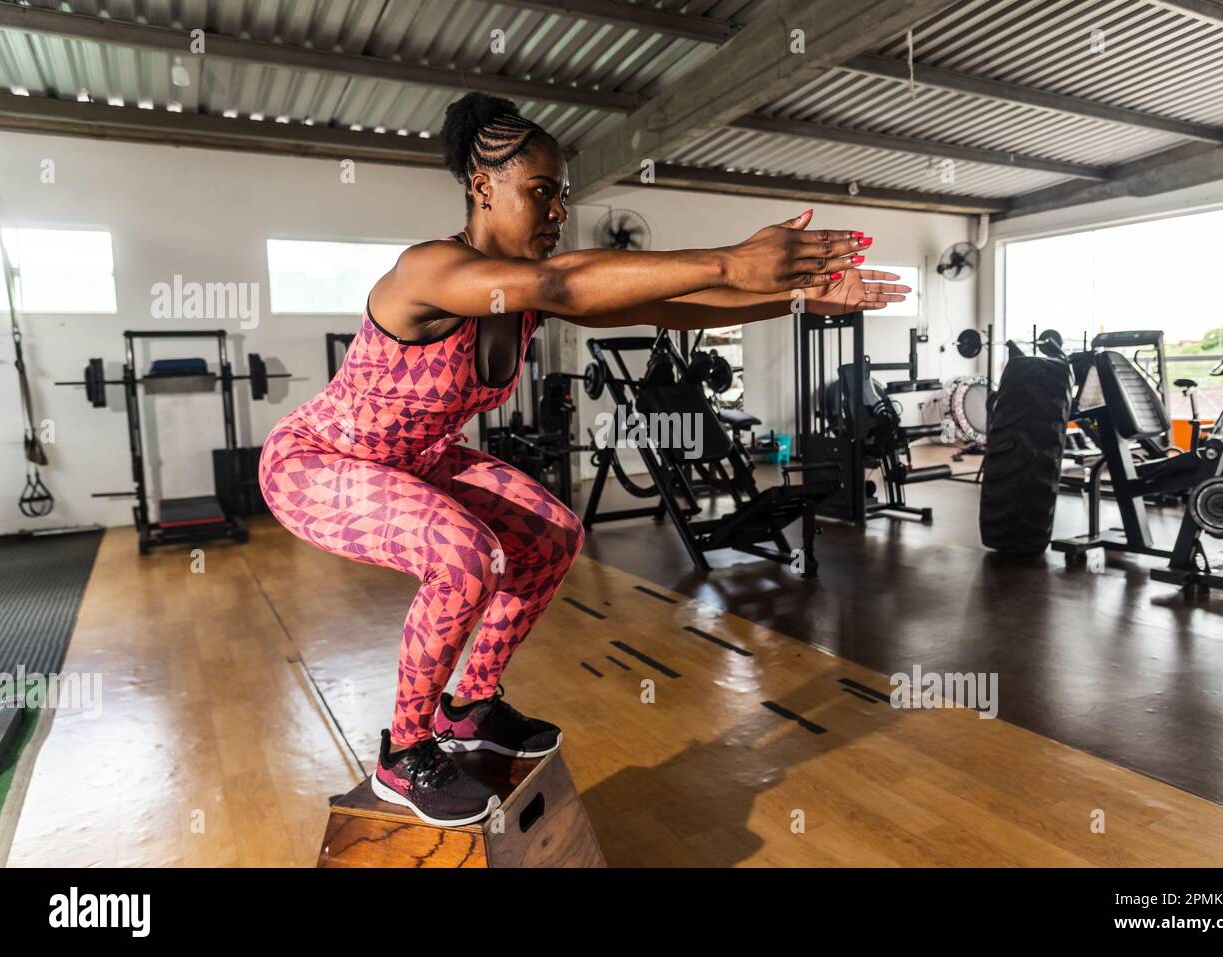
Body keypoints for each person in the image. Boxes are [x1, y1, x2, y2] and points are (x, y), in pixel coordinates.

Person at [258, 91, 910, 826]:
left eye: (562, 196)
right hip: (316, 461)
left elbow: (668, 308)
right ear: (483, 188)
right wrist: (734, 257)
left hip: (417, 459)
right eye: (541, 192)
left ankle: (469, 707)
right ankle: (403, 752)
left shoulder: (526, 298)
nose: (558, 211)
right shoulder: (431, 270)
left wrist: (797, 299)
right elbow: (567, 279)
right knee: (466, 557)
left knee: (552, 533)